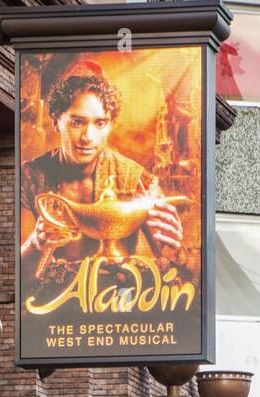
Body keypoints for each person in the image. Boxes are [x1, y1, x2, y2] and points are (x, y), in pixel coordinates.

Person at [21, 62, 183, 282]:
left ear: (111, 124)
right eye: (77, 122)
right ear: (57, 121)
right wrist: (35, 243)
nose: (88, 137)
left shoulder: (138, 180)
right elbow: (14, 278)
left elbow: (173, 271)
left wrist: (175, 252)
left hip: (114, 307)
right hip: (48, 308)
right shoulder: (30, 177)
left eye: (100, 123)